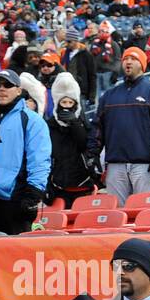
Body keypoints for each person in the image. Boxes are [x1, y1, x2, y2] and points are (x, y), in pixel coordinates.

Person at [88, 46, 150, 204]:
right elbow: (97, 127)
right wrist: (93, 154)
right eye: (125, 59)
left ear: (142, 63)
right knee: (117, 216)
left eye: (133, 59)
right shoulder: (110, 95)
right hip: (115, 165)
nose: (128, 62)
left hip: (145, 165)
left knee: (147, 213)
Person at [0, 69, 51, 235]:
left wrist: (33, 195)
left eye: (8, 85)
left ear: (18, 90)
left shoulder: (32, 120)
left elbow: (40, 160)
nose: (2, 89)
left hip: (17, 199)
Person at [46, 71, 97, 208]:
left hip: (82, 182)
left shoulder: (83, 122)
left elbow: (84, 144)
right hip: (58, 184)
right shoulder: (50, 125)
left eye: (70, 102)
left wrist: (75, 124)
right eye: (64, 102)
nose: (67, 106)